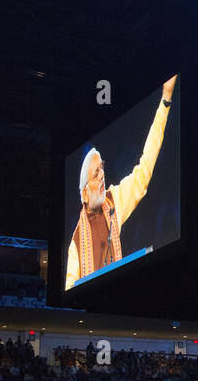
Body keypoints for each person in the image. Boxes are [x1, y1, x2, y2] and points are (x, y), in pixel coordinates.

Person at [65, 75, 177, 290]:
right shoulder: (76, 242)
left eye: (102, 170)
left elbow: (145, 166)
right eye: (95, 174)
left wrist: (165, 101)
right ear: (84, 194)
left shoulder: (113, 200)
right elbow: (71, 286)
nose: (102, 177)